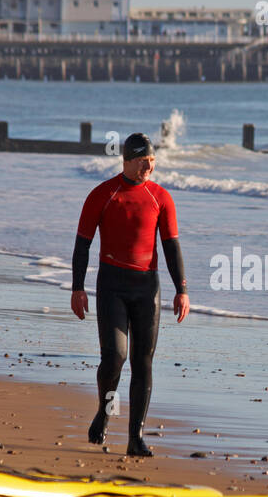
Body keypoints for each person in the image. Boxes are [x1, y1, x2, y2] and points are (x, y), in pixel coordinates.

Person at [72, 133, 189, 457]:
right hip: (111, 284)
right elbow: (82, 244)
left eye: (152, 161)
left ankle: (136, 437)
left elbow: (171, 246)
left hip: (146, 288)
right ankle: (104, 410)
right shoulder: (103, 194)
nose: (149, 167)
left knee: (142, 362)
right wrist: (77, 288)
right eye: (142, 162)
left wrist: (182, 291)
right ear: (127, 161)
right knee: (114, 357)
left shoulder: (160, 198)